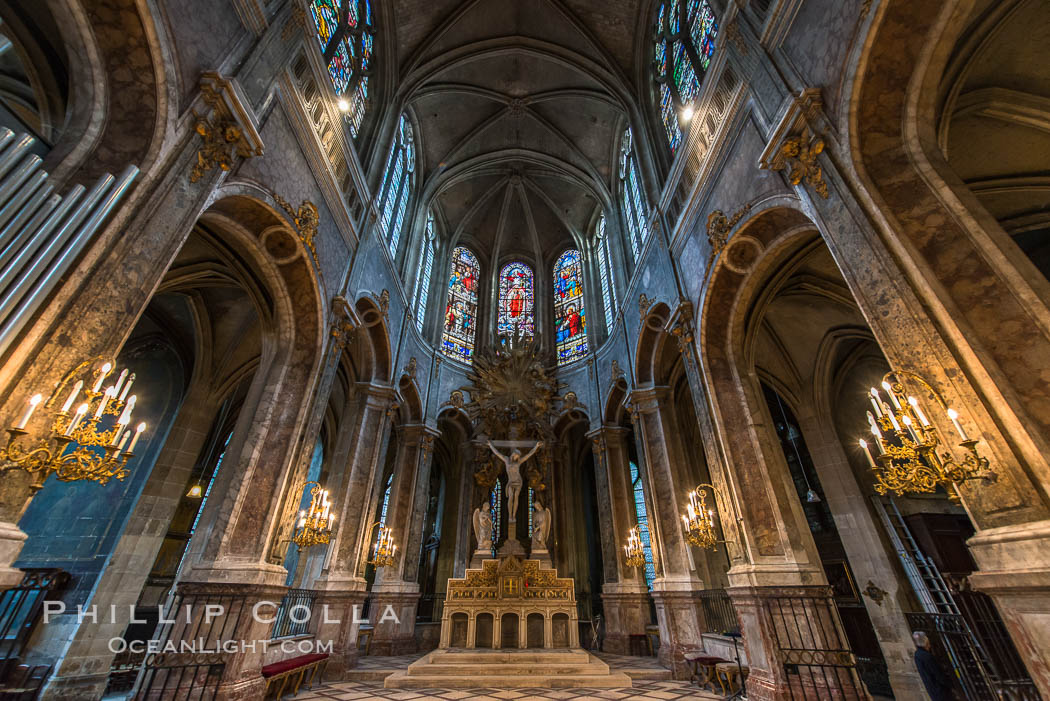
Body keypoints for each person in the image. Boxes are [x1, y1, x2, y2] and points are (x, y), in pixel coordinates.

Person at [913, 631, 953, 701]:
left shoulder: (917, 654)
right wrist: (950, 684)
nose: (930, 645)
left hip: (932, 690)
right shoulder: (927, 657)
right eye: (928, 643)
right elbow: (938, 674)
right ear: (925, 643)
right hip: (940, 691)